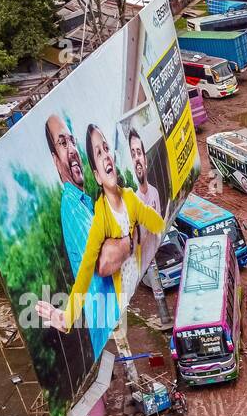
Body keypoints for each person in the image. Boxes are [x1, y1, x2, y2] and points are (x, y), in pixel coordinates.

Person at [58, 123, 166, 346]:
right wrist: (68, 317)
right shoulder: (100, 216)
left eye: (106, 148)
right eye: (99, 152)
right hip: (118, 304)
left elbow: (155, 221)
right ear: (97, 175)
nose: (106, 155)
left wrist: (150, 223)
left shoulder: (129, 197)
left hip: (134, 284)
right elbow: (89, 267)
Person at [38, 114, 130, 354]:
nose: (72, 150)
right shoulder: (71, 206)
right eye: (62, 143)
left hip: (115, 320)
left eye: (72, 141)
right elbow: (105, 261)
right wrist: (132, 236)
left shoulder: (85, 203)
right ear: (55, 161)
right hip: (109, 330)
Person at [128, 128, 163, 273]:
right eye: (132, 154)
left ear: (145, 160)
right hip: (144, 271)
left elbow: (160, 227)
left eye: (139, 153)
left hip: (158, 261)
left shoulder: (154, 192)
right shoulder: (132, 203)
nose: (137, 158)